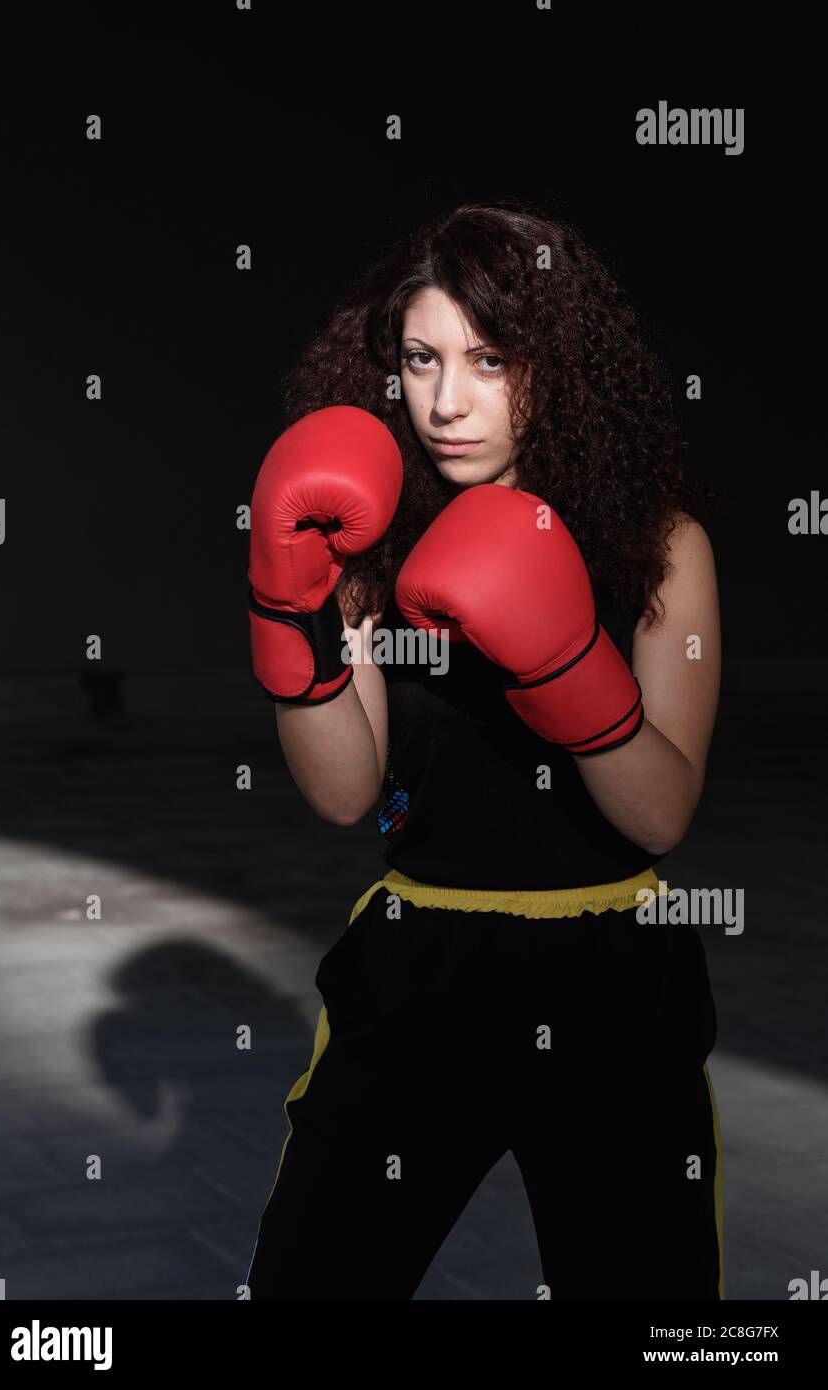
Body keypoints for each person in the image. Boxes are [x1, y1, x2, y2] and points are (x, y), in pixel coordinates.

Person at [243, 199, 723, 1301]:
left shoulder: (659, 543)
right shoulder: (363, 535)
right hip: (419, 968)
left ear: (557, 364)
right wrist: (291, 611)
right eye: (420, 358)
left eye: (489, 358)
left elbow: (660, 815)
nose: (447, 401)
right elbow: (342, 790)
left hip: (614, 977)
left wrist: (565, 665)